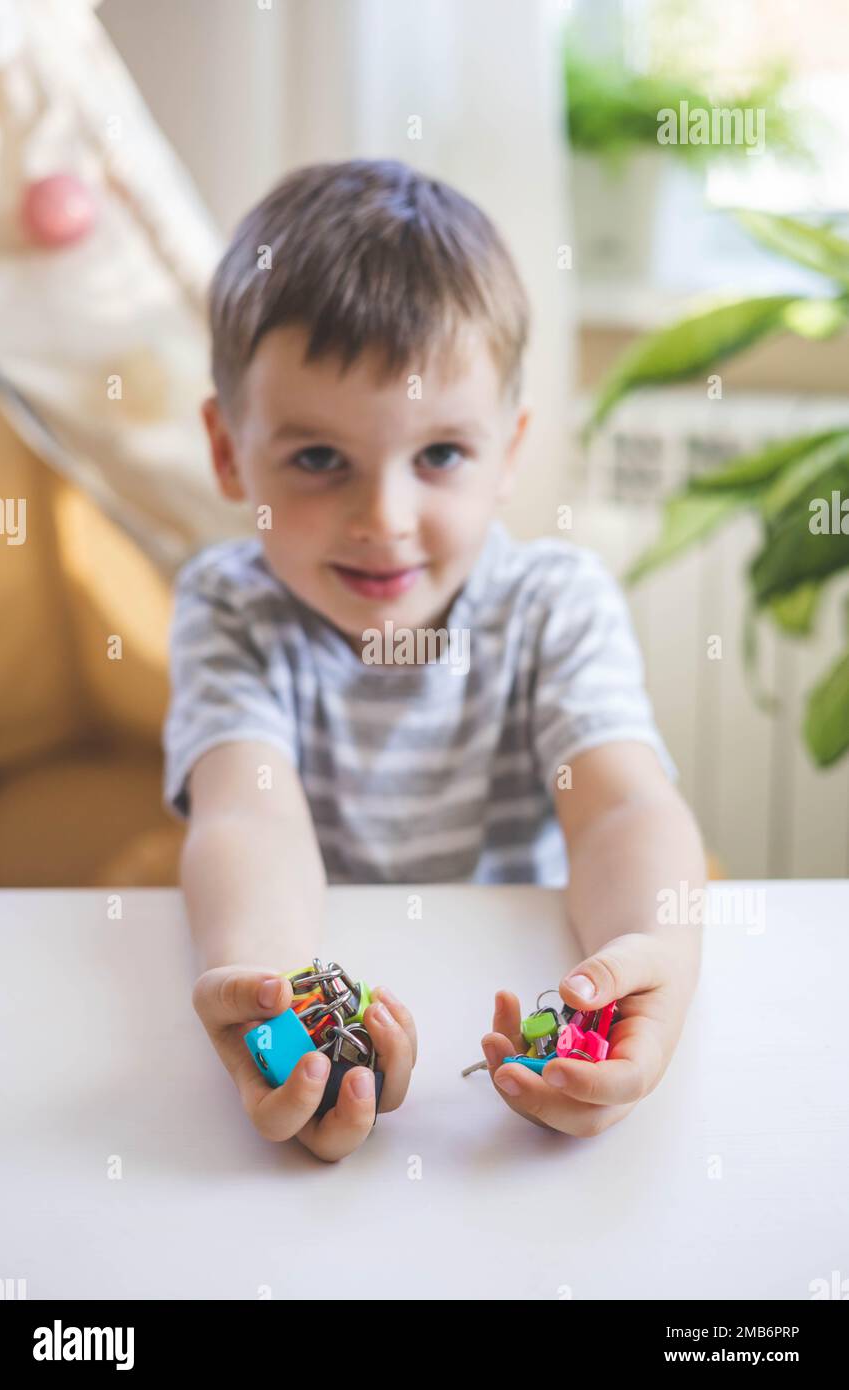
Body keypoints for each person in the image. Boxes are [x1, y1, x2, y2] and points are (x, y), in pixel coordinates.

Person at [162, 158, 706, 1162]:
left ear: (509, 453)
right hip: (347, 999)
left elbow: (623, 808)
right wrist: (273, 998)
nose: (384, 520)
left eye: (440, 455)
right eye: (319, 458)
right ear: (230, 450)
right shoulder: (228, 607)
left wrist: (653, 957)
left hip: (514, 1001)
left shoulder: (555, 604)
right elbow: (248, 814)